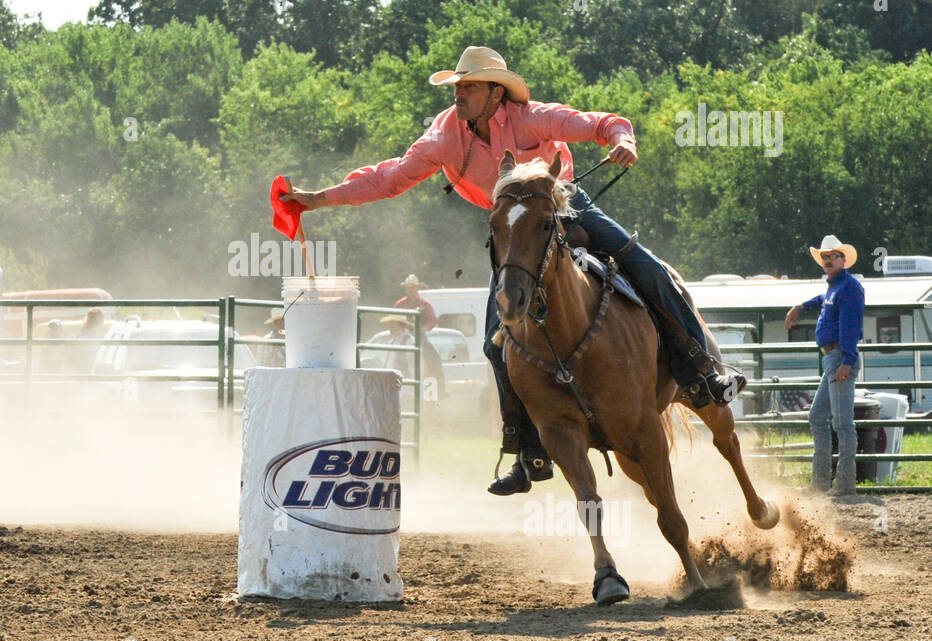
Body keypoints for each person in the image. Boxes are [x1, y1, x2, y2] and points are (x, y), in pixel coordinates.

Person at [281, 45, 745, 496]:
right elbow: (390, 177)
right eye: (457, 87)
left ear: (496, 93)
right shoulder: (445, 134)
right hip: (516, 229)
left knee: (648, 270)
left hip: (563, 205)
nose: (458, 95)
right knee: (492, 342)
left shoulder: (532, 116)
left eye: (469, 87)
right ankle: (526, 450)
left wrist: (622, 140)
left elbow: (602, 123)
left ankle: (702, 372)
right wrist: (318, 199)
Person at [784, 235, 866, 494]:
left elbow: (851, 325)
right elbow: (823, 299)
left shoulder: (849, 287)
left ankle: (843, 483)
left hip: (839, 358)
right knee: (819, 417)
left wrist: (848, 359)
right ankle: (822, 482)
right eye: (825, 256)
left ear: (843, 260)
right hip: (833, 358)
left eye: (833, 256)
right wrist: (801, 305)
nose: (828, 260)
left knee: (841, 423)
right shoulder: (836, 286)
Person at [396, 275, 446, 397]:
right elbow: (394, 320)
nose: (410, 290)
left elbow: (433, 320)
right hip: (403, 336)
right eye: (408, 288)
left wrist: (424, 328)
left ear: (417, 288)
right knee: (391, 355)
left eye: (413, 288)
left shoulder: (425, 304)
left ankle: (441, 389)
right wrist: (401, 329)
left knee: (434, 357)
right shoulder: (400, 304)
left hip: (420, 337)